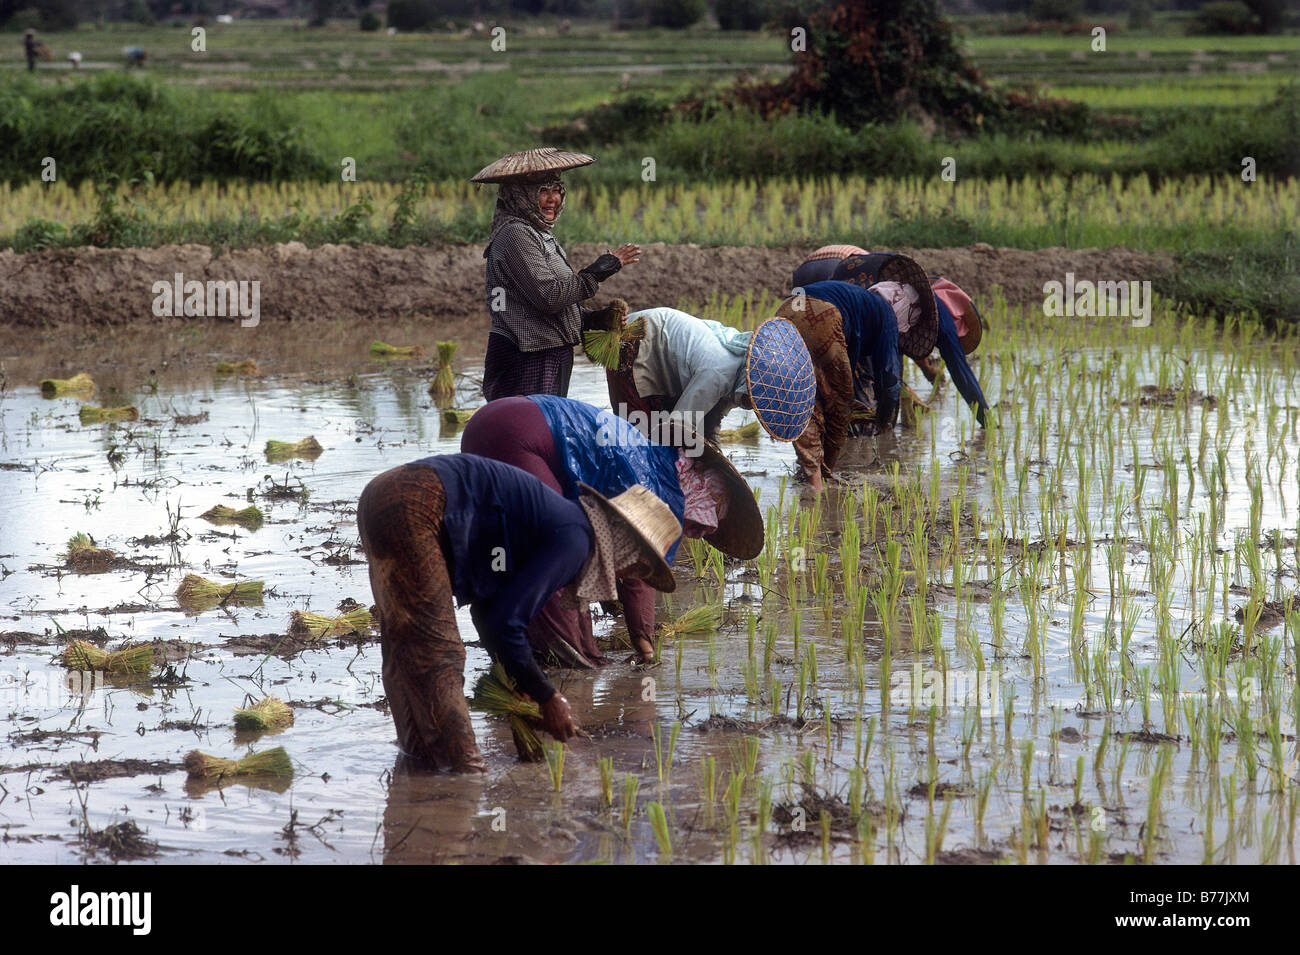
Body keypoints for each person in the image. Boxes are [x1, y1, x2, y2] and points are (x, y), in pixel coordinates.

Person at [356, 453, 680, 772]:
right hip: (418, 502)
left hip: (388, 493)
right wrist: (548, 696)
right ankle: (466, 774)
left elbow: (490, 612)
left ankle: (419, 762)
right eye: (637, 566)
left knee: (404, 646)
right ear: (626, 548)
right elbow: (505, 624)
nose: (628, 575)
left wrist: (518, 687)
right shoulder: (574, 539)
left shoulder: (554, 521)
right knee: (441, 655)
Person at [461, 394, 764, 664]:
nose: (697, 531)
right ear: (697, 487)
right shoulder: (655, 487)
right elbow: (640, 570)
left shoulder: (653, 457)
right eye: (708, 511)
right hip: (521, 438)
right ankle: (566, 658)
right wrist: (643, 643)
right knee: (555, 549)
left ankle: (504, 644)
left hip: (493, 421)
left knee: (507, 542)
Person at [473, 147, 640, 400]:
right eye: (543, 192)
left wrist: (596, 319)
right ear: (521, 196)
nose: (553, 199)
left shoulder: (539, 233)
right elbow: (549, 297)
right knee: (529, 432)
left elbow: (548, 307)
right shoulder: (516, 234)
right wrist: (600, 270)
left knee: (546, 432)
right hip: (526, 354)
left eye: (557, 191)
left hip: (547, 351)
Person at [775, 253, 938, 492]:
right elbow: (889, 375)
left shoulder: (862, 303)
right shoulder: (886, 314)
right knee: (840, 404)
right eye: (911, 317)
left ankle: (809, 472)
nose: (908, 324)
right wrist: (884, 416)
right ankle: (825, 474)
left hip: (789, 306)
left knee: (805, 394)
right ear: (903, 305)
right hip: (821, 313)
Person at [587, 301, 816, 448]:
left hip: (666, 348)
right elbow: (678, 427)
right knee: (638, 432)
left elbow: (711, 419)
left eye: (754, 405)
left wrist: (716, 458)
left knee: (666, 432)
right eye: (750, 400)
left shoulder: (740, 373)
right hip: (639, 342)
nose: (748, 406)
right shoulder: (717, 373)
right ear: (748, 383)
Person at [833, 254, 989, 427]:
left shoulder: (909, 300)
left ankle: (869, 421)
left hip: (842, 272)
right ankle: (870, 426)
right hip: (862, 285)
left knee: (848, 355)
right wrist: (987, 421)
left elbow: (895, 354)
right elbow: (963, 375)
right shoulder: (947, 326)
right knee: (863, 364)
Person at [790, 244, 866, 289]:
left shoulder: (863, 255)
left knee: (803, 309)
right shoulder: (872, 265)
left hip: (805, 269)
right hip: (835, 264)